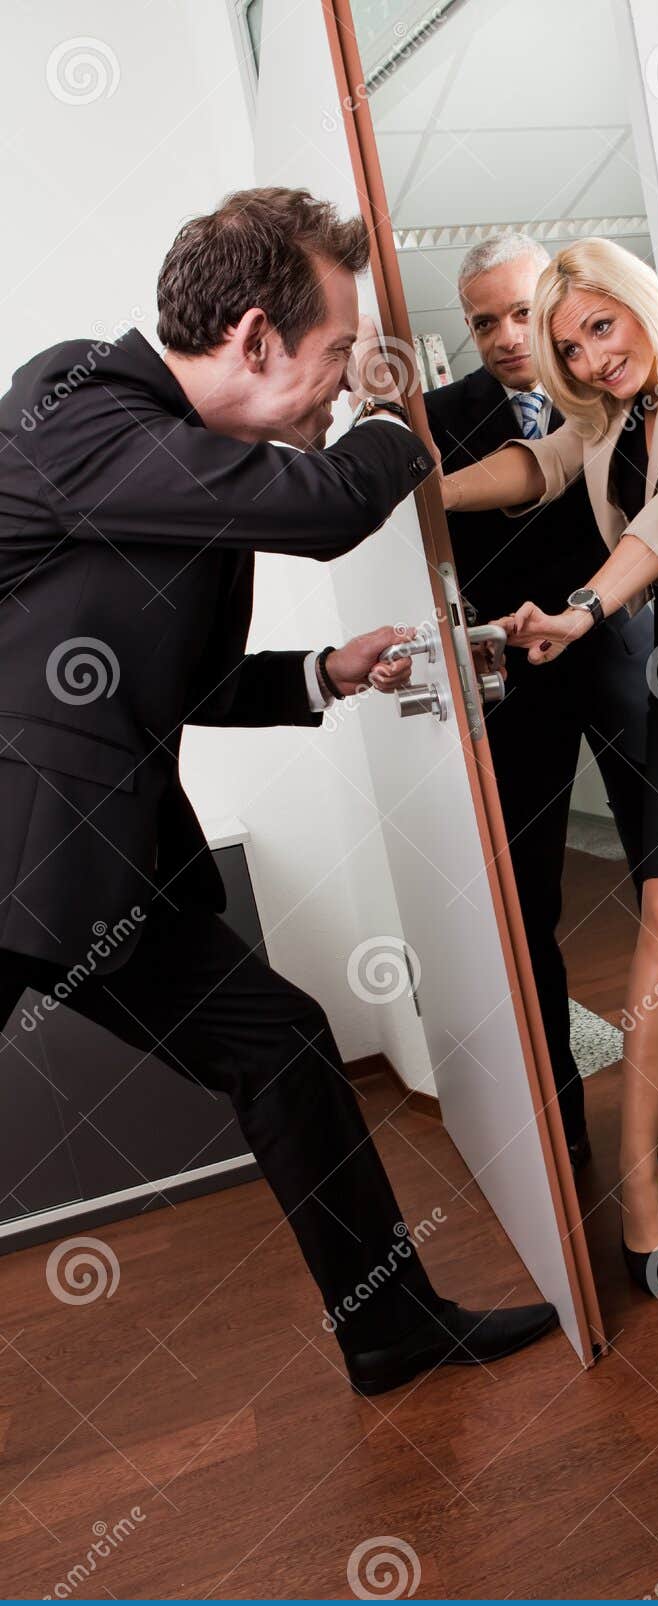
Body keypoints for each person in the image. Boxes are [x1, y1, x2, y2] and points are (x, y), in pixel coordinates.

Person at [0, 187, 558, 1394]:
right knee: (283, 1044)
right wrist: (398, 409)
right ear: (252, 339)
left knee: (281, 1043)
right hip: (23, 843)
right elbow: (325, 510)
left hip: (78, 850)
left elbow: (160, 674)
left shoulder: (164, 464)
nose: (340, 386)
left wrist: (320, 671)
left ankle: (389, 1326)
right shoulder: (81, 404)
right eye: (334, 359)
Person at [440, 238, 658, 1298]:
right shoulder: (606, 422)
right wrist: (415, 490)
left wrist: (579, 611)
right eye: (567, 343)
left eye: (599, 327)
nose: (585, 355)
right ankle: (636, 1186)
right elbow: (537, 467)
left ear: (638, 307)